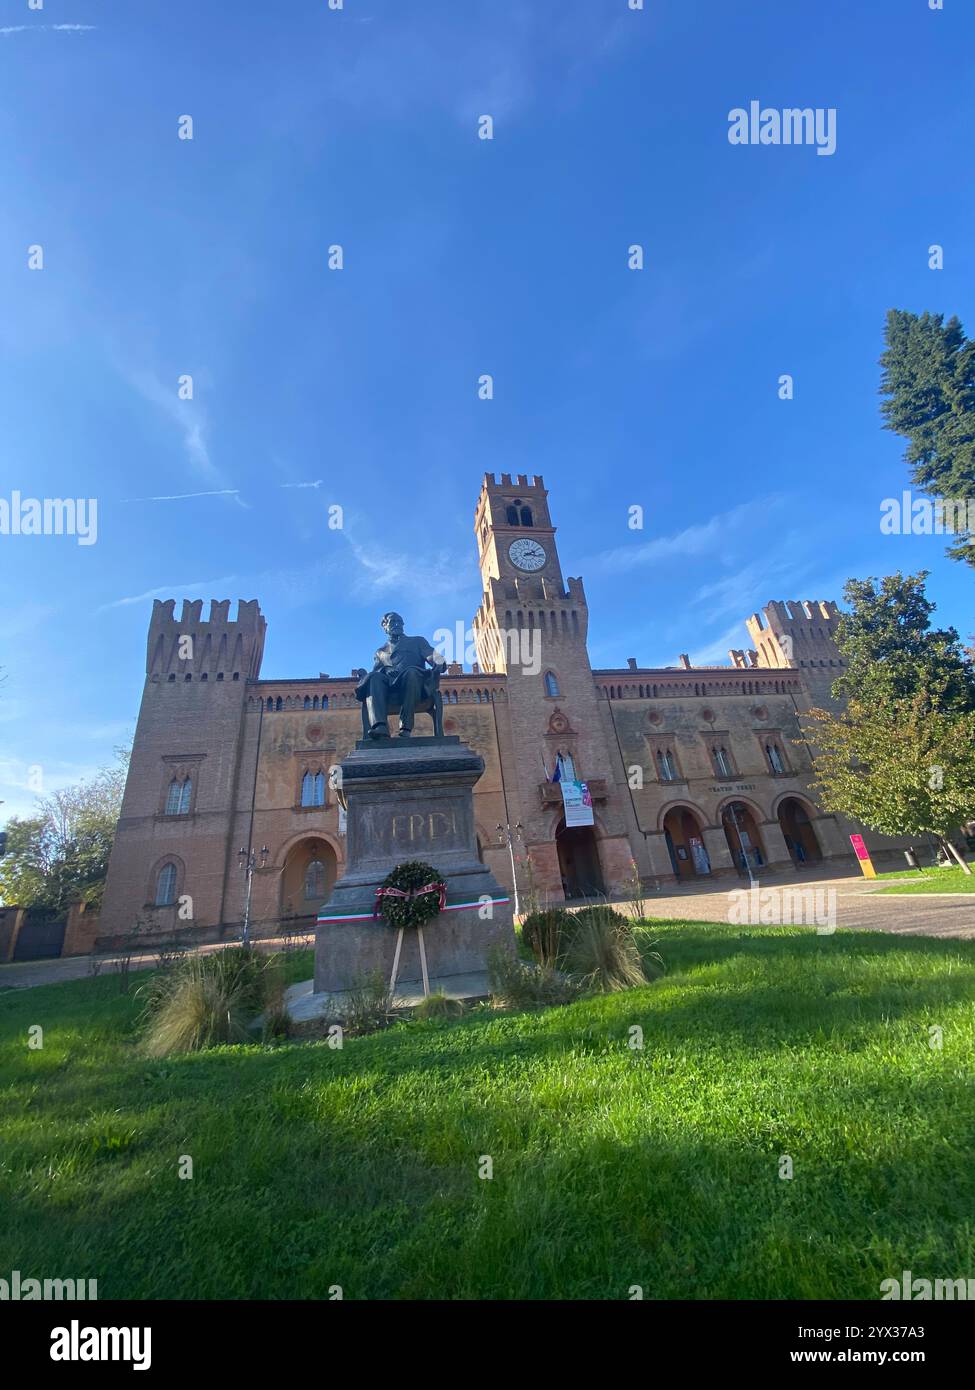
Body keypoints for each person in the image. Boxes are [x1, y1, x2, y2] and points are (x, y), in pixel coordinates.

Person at [354, 611, 446, 738]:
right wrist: (385, 670)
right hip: (391, 687)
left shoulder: (417, 641)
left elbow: (431, 653)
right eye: (393, 622)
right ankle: (380, 726)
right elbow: (376, 671)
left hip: (416, 685)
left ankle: (406, 726)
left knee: (411, 672)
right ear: (385, 626)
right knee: (374, 678)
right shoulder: (380, 652)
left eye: (399, 622)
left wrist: (437, 660)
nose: (397, 624)